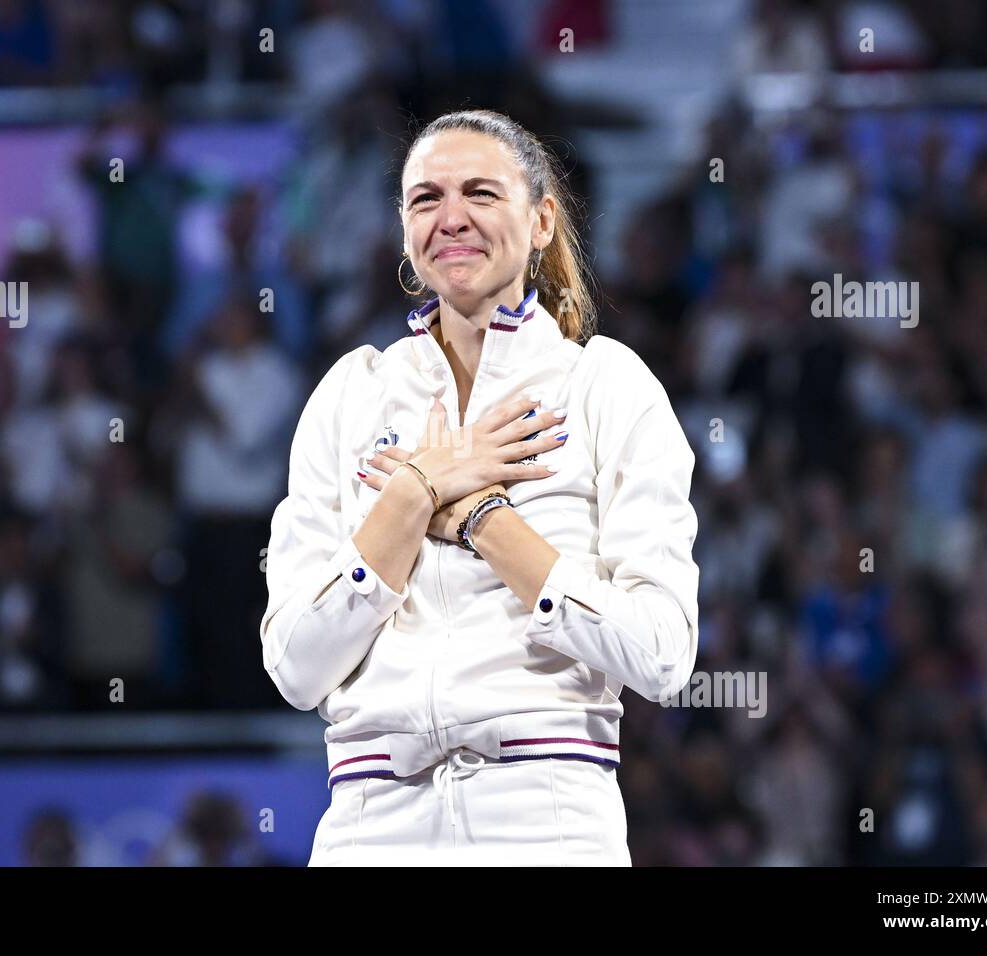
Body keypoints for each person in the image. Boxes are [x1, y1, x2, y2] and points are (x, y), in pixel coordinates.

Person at [260, 109, 701, 865]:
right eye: (425, 199)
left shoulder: (605, 386)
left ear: (541, 221)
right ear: (403, 231)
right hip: (372, 821)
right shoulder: (349, 395)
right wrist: (414, 493)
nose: (451, 217)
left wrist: (480, 519)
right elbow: (297, 667)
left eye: (480, 193)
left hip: (547, 817)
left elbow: (660, 654)